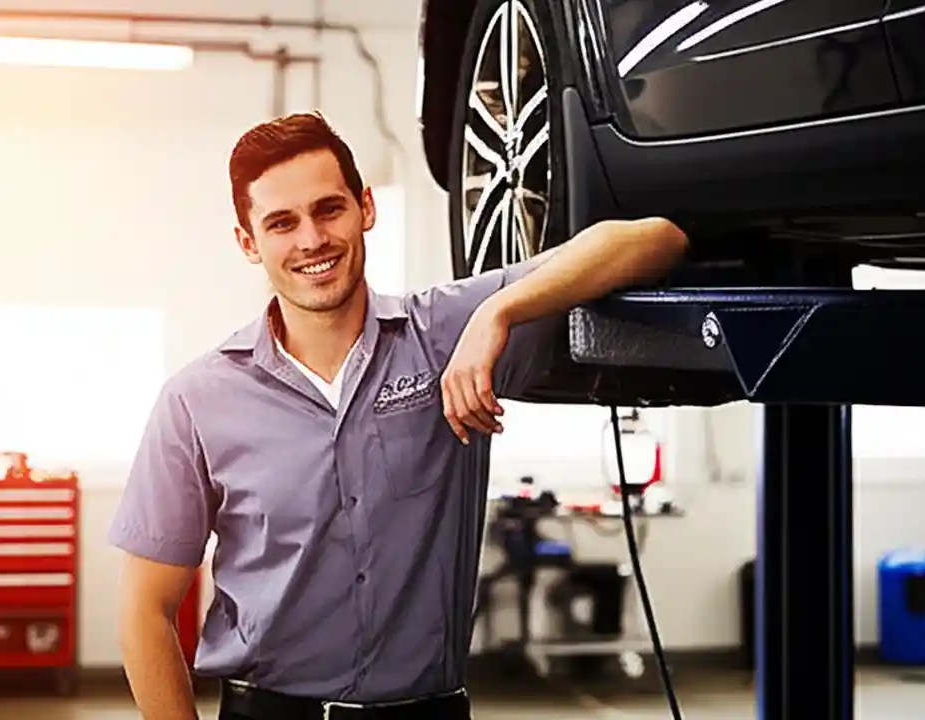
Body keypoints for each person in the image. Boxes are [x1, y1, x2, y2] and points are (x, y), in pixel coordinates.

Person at [109, 111, 689, 719]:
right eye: (282, 222)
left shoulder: (443, 333)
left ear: (365, 208)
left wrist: (501, 313)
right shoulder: (197, 400)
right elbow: (146, 610)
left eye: (329, 209)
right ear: (249, 242)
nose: (312, 240)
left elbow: (655, 241)